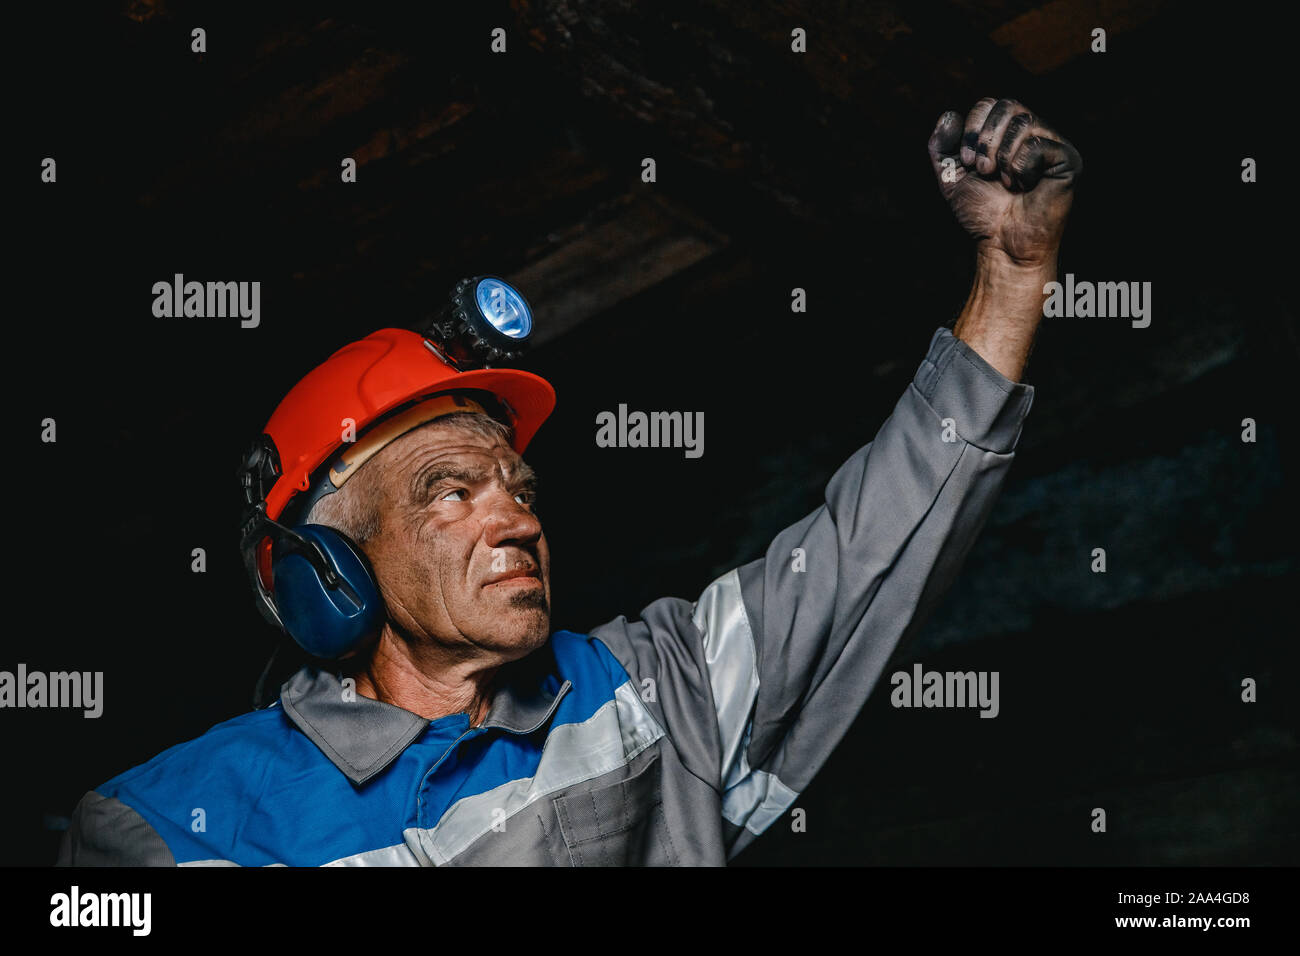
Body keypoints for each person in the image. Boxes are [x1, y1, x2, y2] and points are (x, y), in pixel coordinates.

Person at [57, 97, 1080, 866]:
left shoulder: (655, 687)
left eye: (519, 486)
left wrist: (1014, 269)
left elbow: (875, 539)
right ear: (324, 572)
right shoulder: (167, 822)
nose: (512, 513)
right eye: (448, 489)